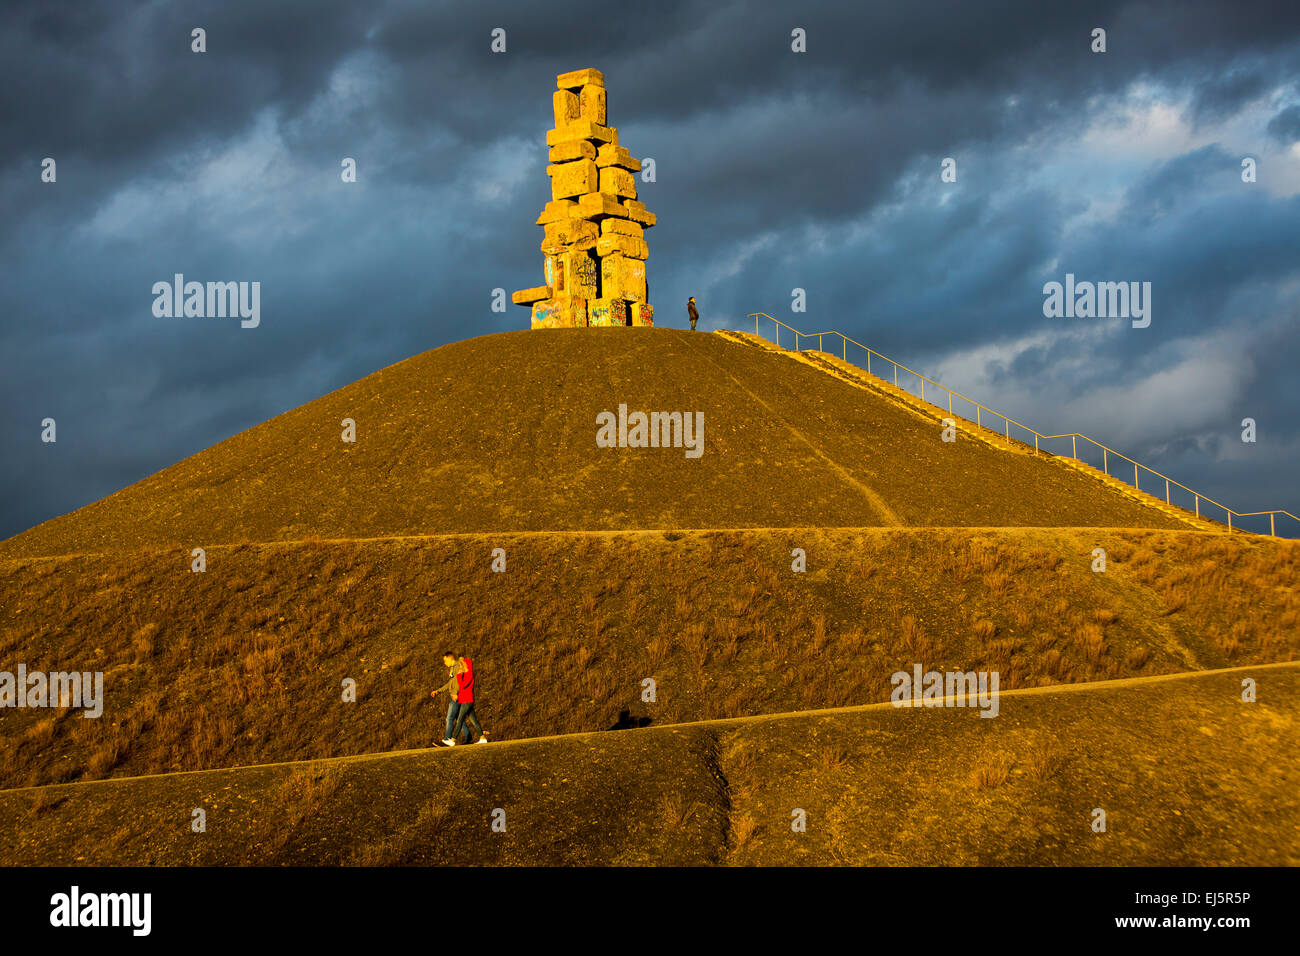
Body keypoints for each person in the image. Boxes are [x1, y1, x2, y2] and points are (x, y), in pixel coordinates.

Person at [445, 652, 488, 746]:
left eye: (462, 665)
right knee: (474, 720)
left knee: (460, 719)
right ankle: (482, 737)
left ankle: (452, 740)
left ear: (466, 665)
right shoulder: (466, 674)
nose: (461, 667)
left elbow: (463, 685)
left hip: (467, 700)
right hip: (466, 700)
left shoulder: (469, 674)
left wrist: (459, 675)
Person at [430, 655, 473, 745]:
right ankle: (469, 739)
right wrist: (438, 691)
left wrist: (456, 693)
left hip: (456, 696)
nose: (445, 663)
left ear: (450, 659)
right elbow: (450, 683)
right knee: (459, 718)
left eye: (445, 661)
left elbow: (459, 681)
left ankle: (447, 739)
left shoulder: (458, 667)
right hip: (455, 695)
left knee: (449, 718)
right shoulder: (453, 668)